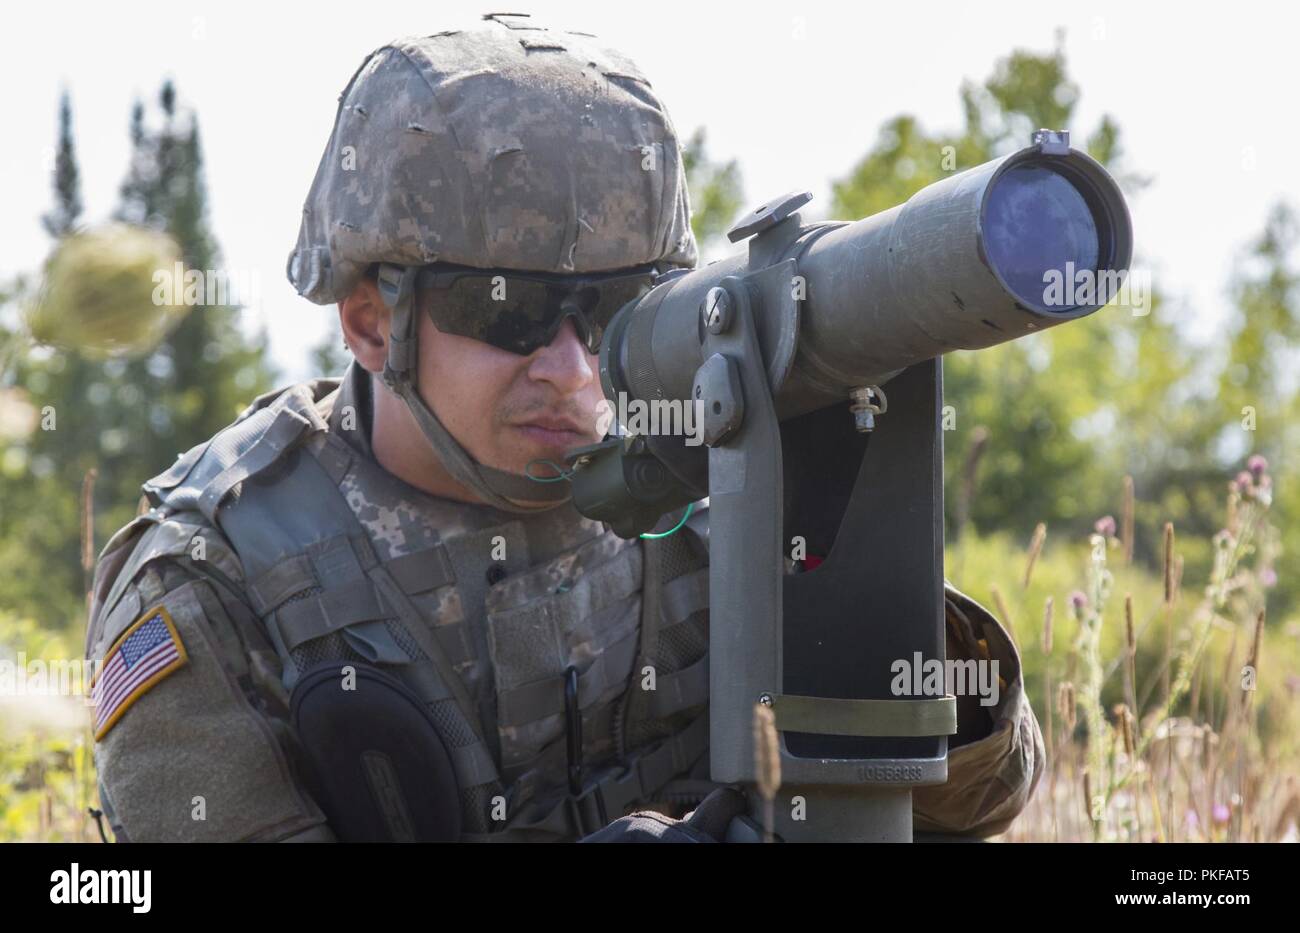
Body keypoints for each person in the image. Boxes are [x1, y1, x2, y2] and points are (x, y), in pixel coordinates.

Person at [84, 13, 1043, 842]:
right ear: (373, 320)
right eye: (507, 312)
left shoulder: (711, 481)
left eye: (619, 307)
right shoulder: (214, 583)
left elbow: (988, 798)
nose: (573, 368)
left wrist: (871, 614)